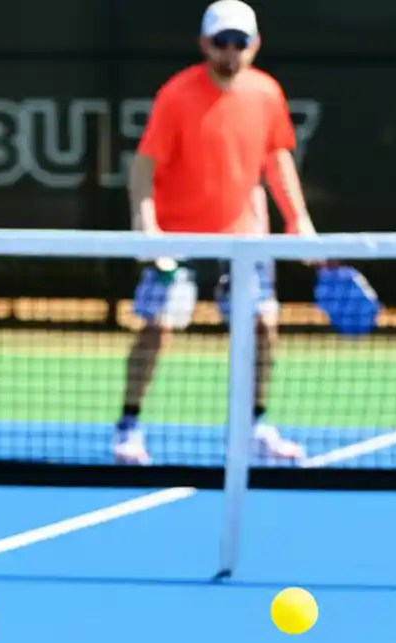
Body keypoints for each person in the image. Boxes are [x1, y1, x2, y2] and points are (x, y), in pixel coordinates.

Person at [114, 0, 316, 465]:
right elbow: (143, 169)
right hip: (179, 243)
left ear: (255, 45)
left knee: (264, 327)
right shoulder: (176, 95)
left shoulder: (267, 93)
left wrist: (298, 218)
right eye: (221, 42)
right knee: (157, 329)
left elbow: (277, 159)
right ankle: (128, 426)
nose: (230, 52)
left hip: (243, 242)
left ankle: (255, 425)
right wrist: (148, 229)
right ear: (205, 44)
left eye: (239, 43)